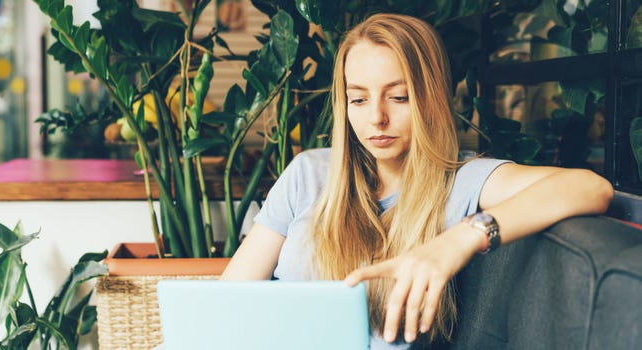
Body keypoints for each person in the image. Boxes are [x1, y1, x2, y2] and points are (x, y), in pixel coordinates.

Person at [221, 13, 613, 349]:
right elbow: (227, 305)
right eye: (358, 99)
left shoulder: (463, 182)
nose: (377, 118)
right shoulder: (308, 174)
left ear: (431, 99)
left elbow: (589, 188)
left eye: (399, 97)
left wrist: (460, 239)